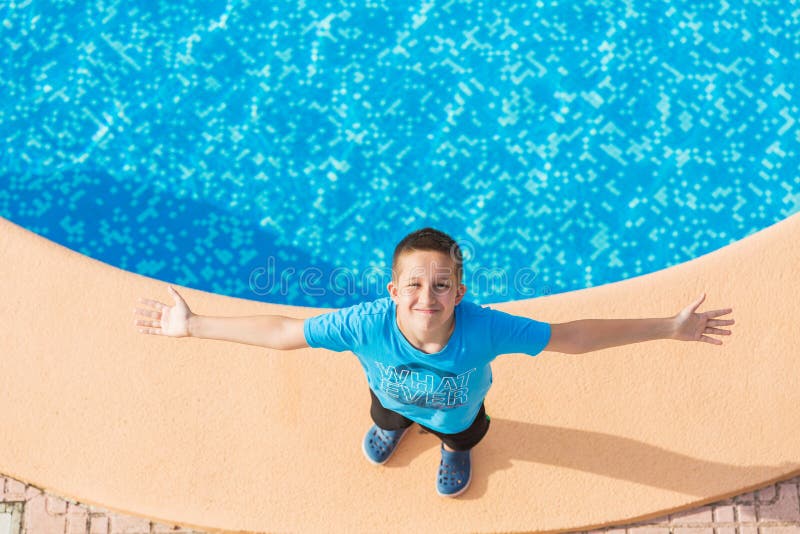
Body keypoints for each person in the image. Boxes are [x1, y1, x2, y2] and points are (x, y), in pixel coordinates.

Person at [134, 227, 734, 498]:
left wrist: (668, 328)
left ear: (461, 292)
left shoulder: (486, 327)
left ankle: (454, 452)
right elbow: (284, 331)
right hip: (390, 400)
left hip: (458, 414)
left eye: (442, 284)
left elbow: (573, 338)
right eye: (415, 284)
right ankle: (392, 431)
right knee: (385, 422)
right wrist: (194, 326)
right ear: (393, 291)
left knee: (461, 434)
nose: (428, 297)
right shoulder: (363, 322)